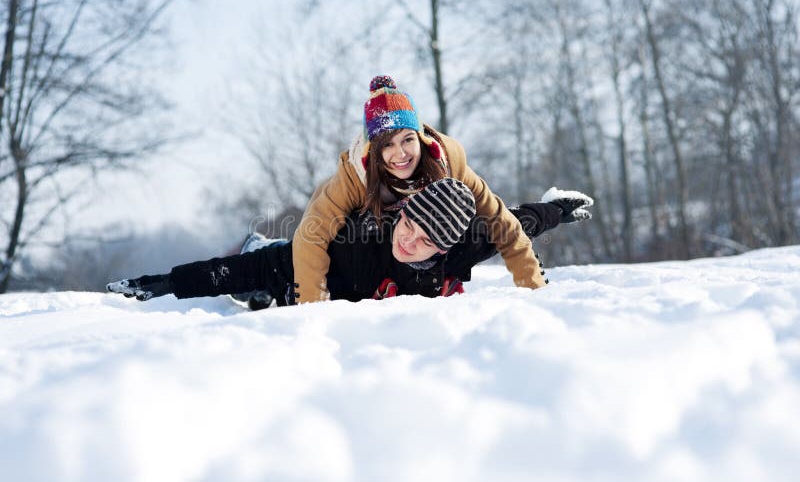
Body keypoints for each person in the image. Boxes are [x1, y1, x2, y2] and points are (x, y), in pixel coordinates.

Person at [106, 179, 593, 309]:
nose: (409, 240)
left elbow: (517, 222)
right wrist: (169, 282)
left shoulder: (462, 246)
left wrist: (555, 209)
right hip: (305, 280)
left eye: (425, 241)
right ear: (402, 212)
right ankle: (255, 242)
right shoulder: (360, 244)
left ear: (445, 249)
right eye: (409, 225)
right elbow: (237, 272)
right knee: (255, 280)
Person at [292, 75, 548, 304]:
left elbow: (499, 218)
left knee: (476, 232)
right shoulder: (354, 178)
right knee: (339, 244)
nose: (400, 153)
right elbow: (311, 236)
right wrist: (313, 306)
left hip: (408, 243)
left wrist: (532, 285)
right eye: (387, 145)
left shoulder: (447, 163)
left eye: (408, 139)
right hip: (360, 247)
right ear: (373, 150)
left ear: (421, 138)